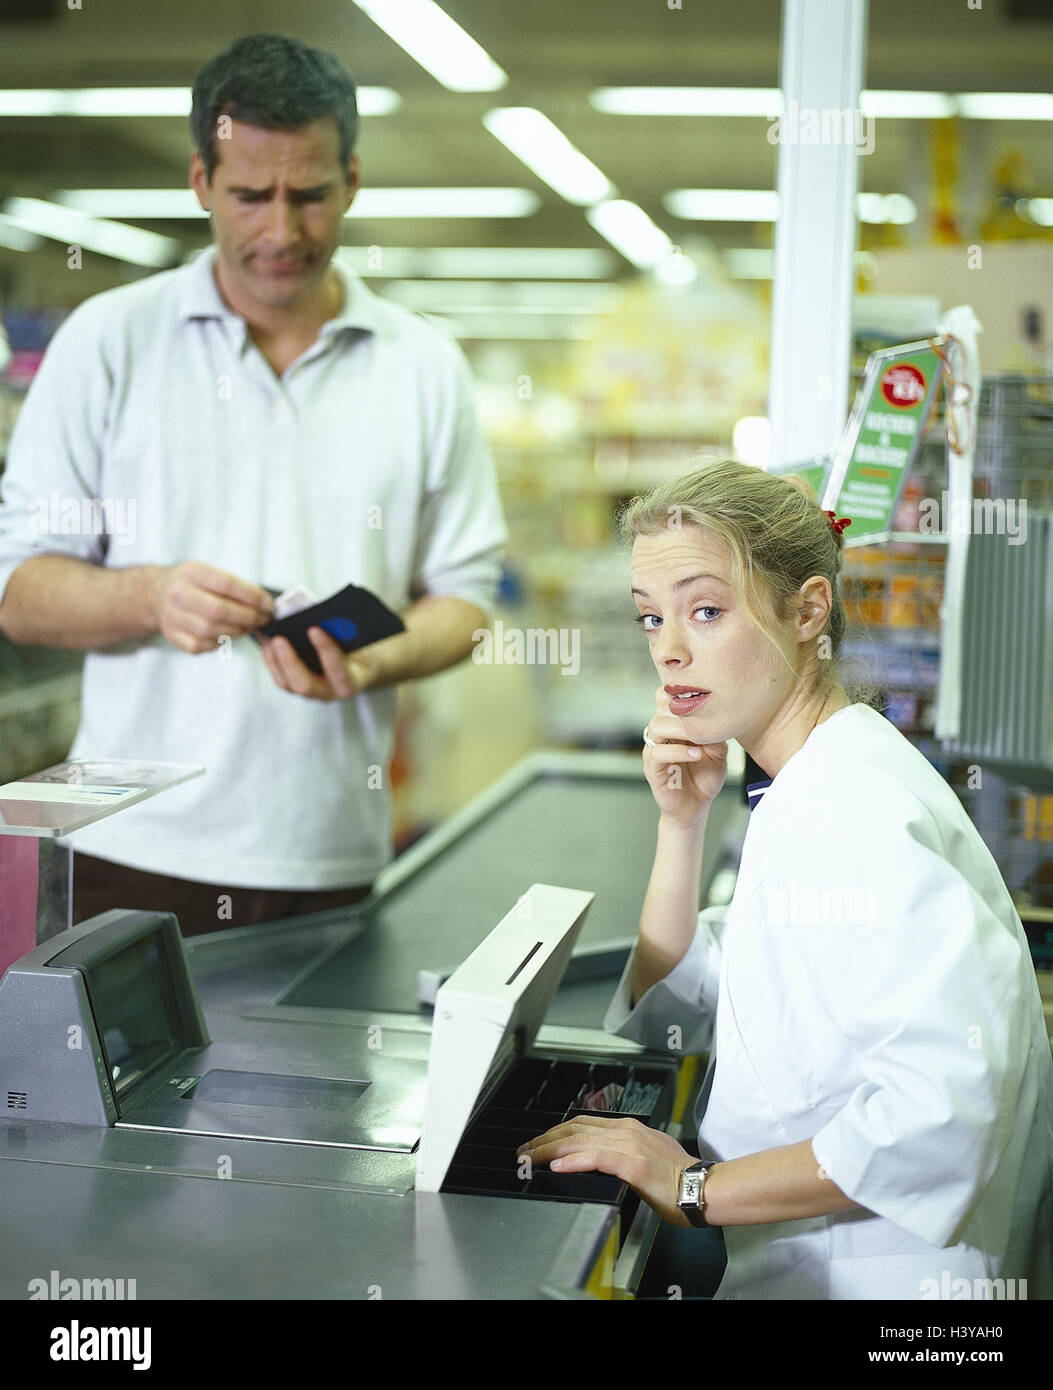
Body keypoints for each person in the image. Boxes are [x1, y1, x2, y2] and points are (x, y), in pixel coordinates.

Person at [0, 33, 507, 936]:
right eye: (249, 196)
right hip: (129, 847)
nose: (282, 231)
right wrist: (153, 597)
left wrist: (376, 658)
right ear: (200, 181)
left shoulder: (422, 365)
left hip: (332, 853)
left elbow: (465, 599)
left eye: (310, 195)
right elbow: (22, 593)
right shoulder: (106, 342)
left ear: (351, 179)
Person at [517, 458, 1053, 1300]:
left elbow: (942, 1111)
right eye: (650, 617)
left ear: (807, 610)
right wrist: (681, 825)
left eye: (705, 610)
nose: (669, 649)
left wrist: (694, 1188)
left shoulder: (851, 808)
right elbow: (684, 1012)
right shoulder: (808, 781)